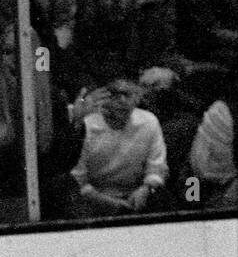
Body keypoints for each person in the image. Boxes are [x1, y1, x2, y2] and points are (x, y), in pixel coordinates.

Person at [67, 72, 169, 213]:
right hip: (93, 199)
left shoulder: (149, 122)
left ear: (137, 98)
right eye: (114, 94)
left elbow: (157, 169)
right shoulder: (86, 125)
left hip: (137, 195)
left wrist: (145, 189)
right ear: (101, 97)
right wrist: (111, 204)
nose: (121, 101)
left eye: (127, 94)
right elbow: (78, 181)